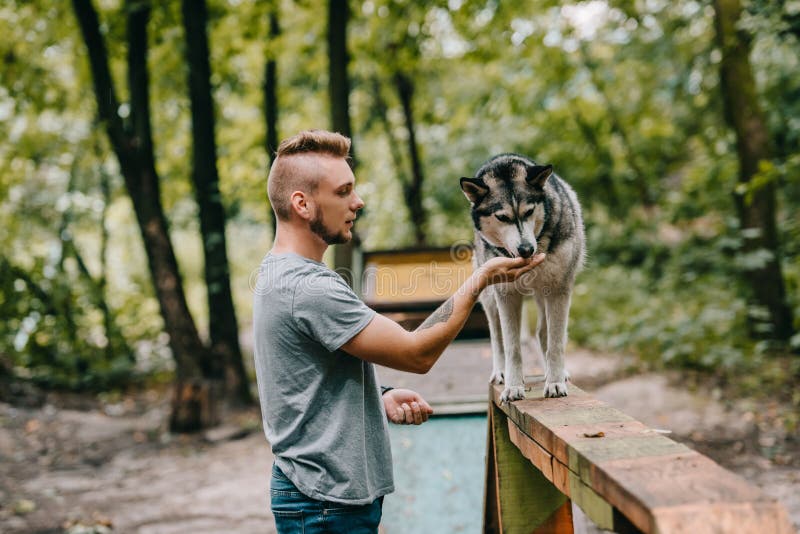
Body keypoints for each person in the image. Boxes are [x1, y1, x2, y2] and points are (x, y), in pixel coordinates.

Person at [253, 130, 545, 533]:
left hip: (323, 498)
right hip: (324, 505)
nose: (358, 202)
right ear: (302, 204)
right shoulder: (308, 287)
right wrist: (480, 279)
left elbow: (300, 381)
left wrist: (380, 397)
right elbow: (416, 354)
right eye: (343, 192)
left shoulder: (281, 272)